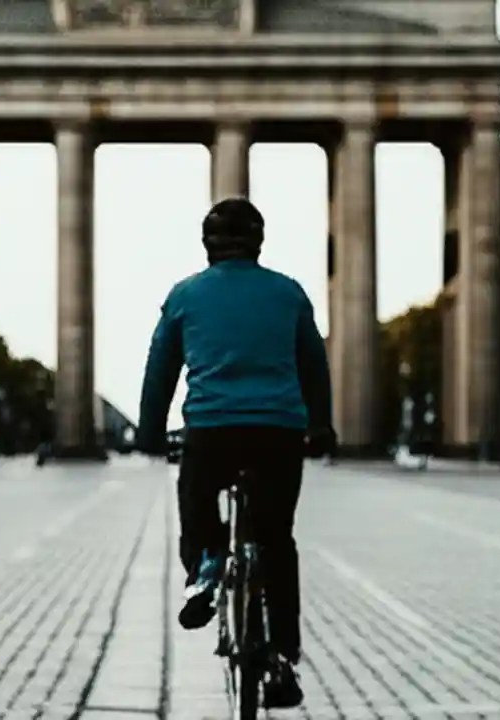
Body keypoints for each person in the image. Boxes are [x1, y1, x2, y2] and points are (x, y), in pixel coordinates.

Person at [137, 197, 336, 708]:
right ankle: (284, 654)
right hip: (279, 431)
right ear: (259, 242)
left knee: (197, 501)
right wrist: (321, 424)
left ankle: (203, 570)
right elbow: (314, 365)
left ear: (207, 245)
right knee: (276, 539)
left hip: (212, 428)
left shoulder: (185, 295)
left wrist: (150, 431)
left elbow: (160, 369)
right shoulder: (288, 293)